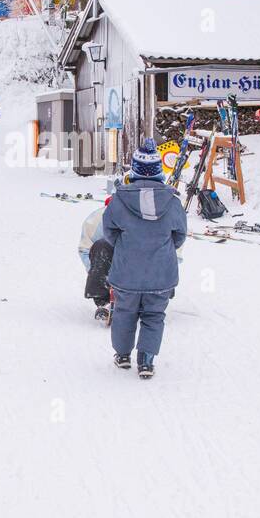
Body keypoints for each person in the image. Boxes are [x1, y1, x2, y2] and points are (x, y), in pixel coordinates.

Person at [103, 141, 187, 379]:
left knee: (124, 313)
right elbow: (179, 235)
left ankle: (122, 355)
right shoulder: (172, 201)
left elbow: (109, 232)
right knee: (154, 316)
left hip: (126, 273)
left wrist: (126, 247)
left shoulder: (119, 199)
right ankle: (147, 360)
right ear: (159, 170)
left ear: (135, 169)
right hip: (161, 274)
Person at [78, 199, 115, 324]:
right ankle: (104, 302)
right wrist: (95, 271)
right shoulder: (97, 219)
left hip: (136, 262)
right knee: (101, 246)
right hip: (108, 260)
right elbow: (85, 249)